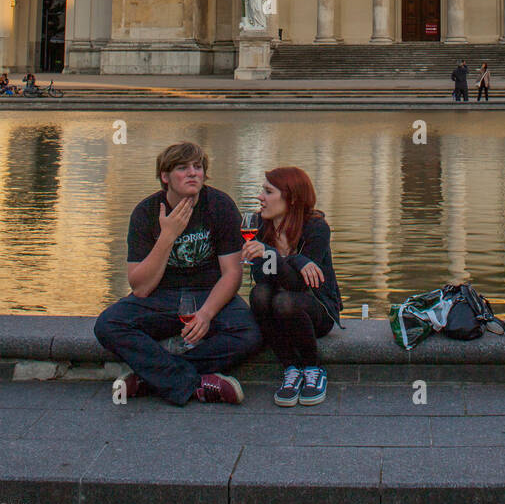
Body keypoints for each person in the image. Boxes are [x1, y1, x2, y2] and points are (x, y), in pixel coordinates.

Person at [94, 141, 262, 405]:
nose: (193, 173)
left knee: (249, 333)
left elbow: (231, 273)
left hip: (208, 294)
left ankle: (153, 376)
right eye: (183, 168)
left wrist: (206, 314)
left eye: (198, 167)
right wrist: (167, 236)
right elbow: (140, 288)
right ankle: (196, 383)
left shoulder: (220, 205)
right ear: (165, 176)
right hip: (161, 297)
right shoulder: (145, 213)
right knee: (108, 325)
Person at [244, 166, 342, 408]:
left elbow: (300, 284)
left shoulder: (316, 228)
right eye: (262, 191)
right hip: (277, 306)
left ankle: (313, 368)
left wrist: (277, 256)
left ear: (292, 198)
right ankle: (290, 368)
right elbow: (261, 277)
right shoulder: (256, 224)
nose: (260, 197)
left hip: (314, 309)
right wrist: (290, 259)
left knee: (284, 301)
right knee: (259, 294)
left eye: (268, 192)